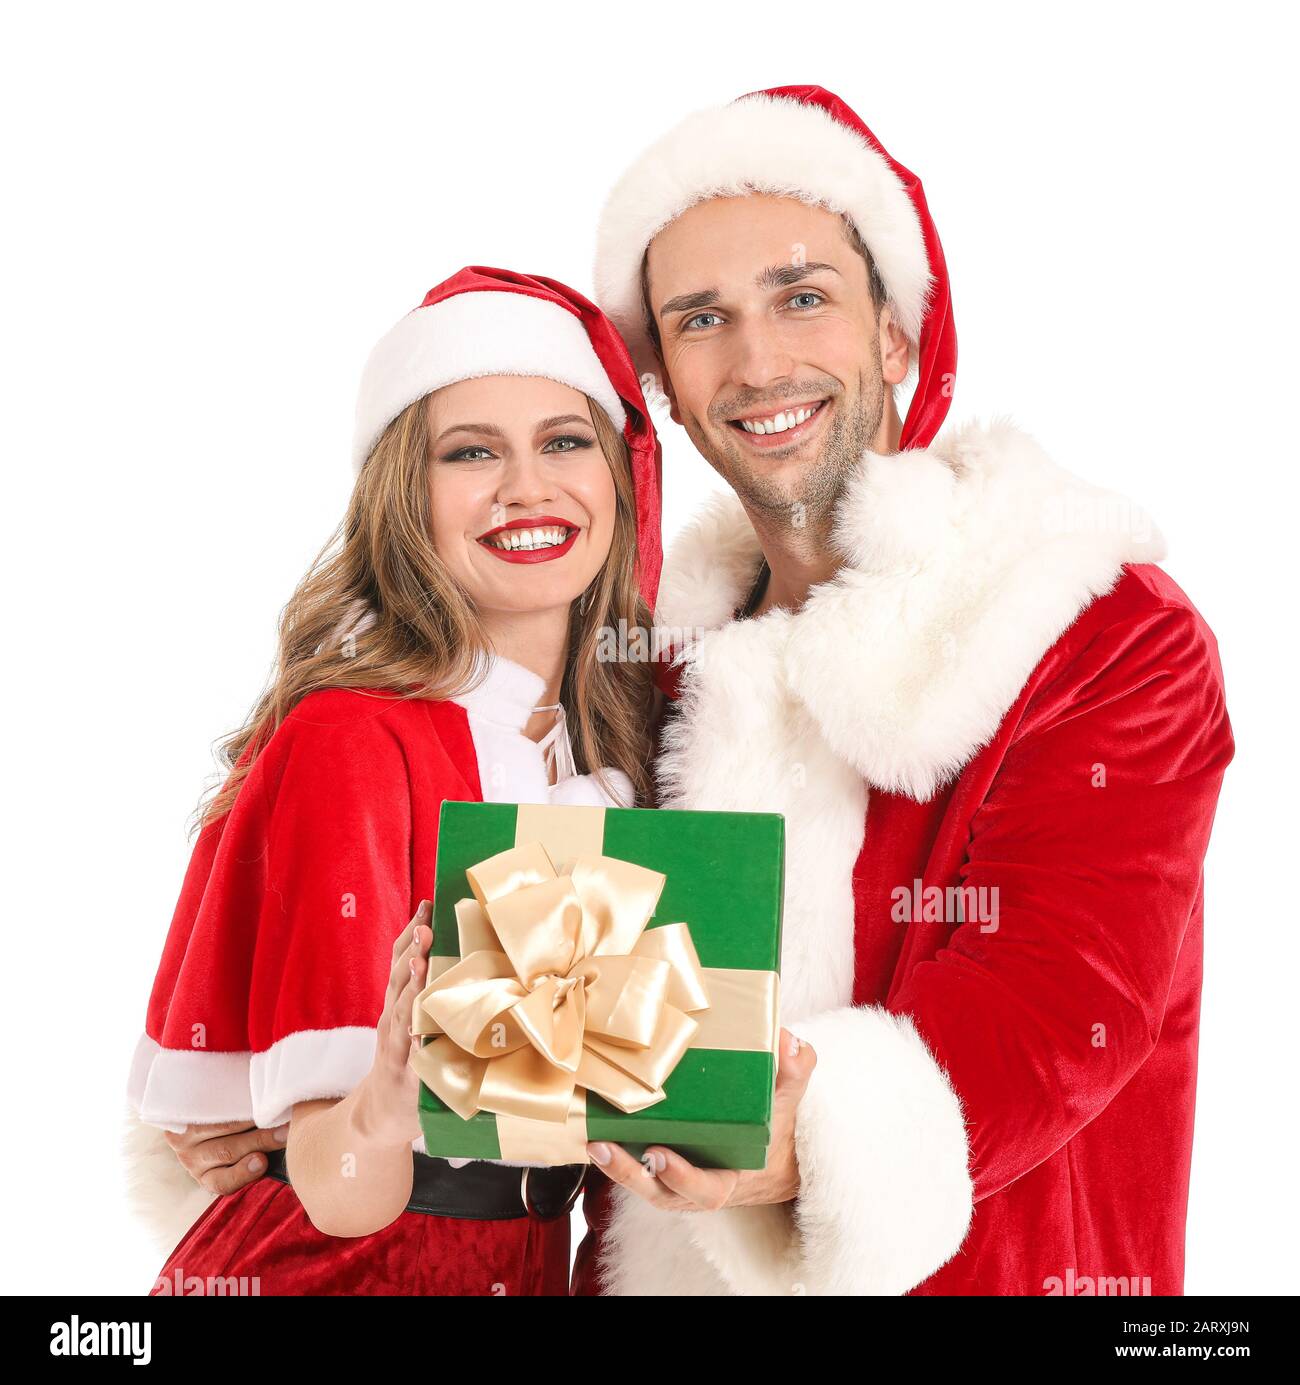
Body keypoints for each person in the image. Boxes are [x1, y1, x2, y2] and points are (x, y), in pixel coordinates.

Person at [570, 84, 1234, 1296]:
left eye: (801, 296)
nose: (758, 358)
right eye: (702, 318)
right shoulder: (646, 663)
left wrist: (804, 1139)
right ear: (662, 376)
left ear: (892, 333)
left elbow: (1054, 1003)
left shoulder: (1092, 625)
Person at [124, 266, 664, 1295]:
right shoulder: (350, 740)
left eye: (564, 440)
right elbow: (339, 1185)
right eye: (470, 453)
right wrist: (381, 1097)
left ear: (618, 477)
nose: (526, 487)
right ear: (405, 498)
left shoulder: (604, 747)